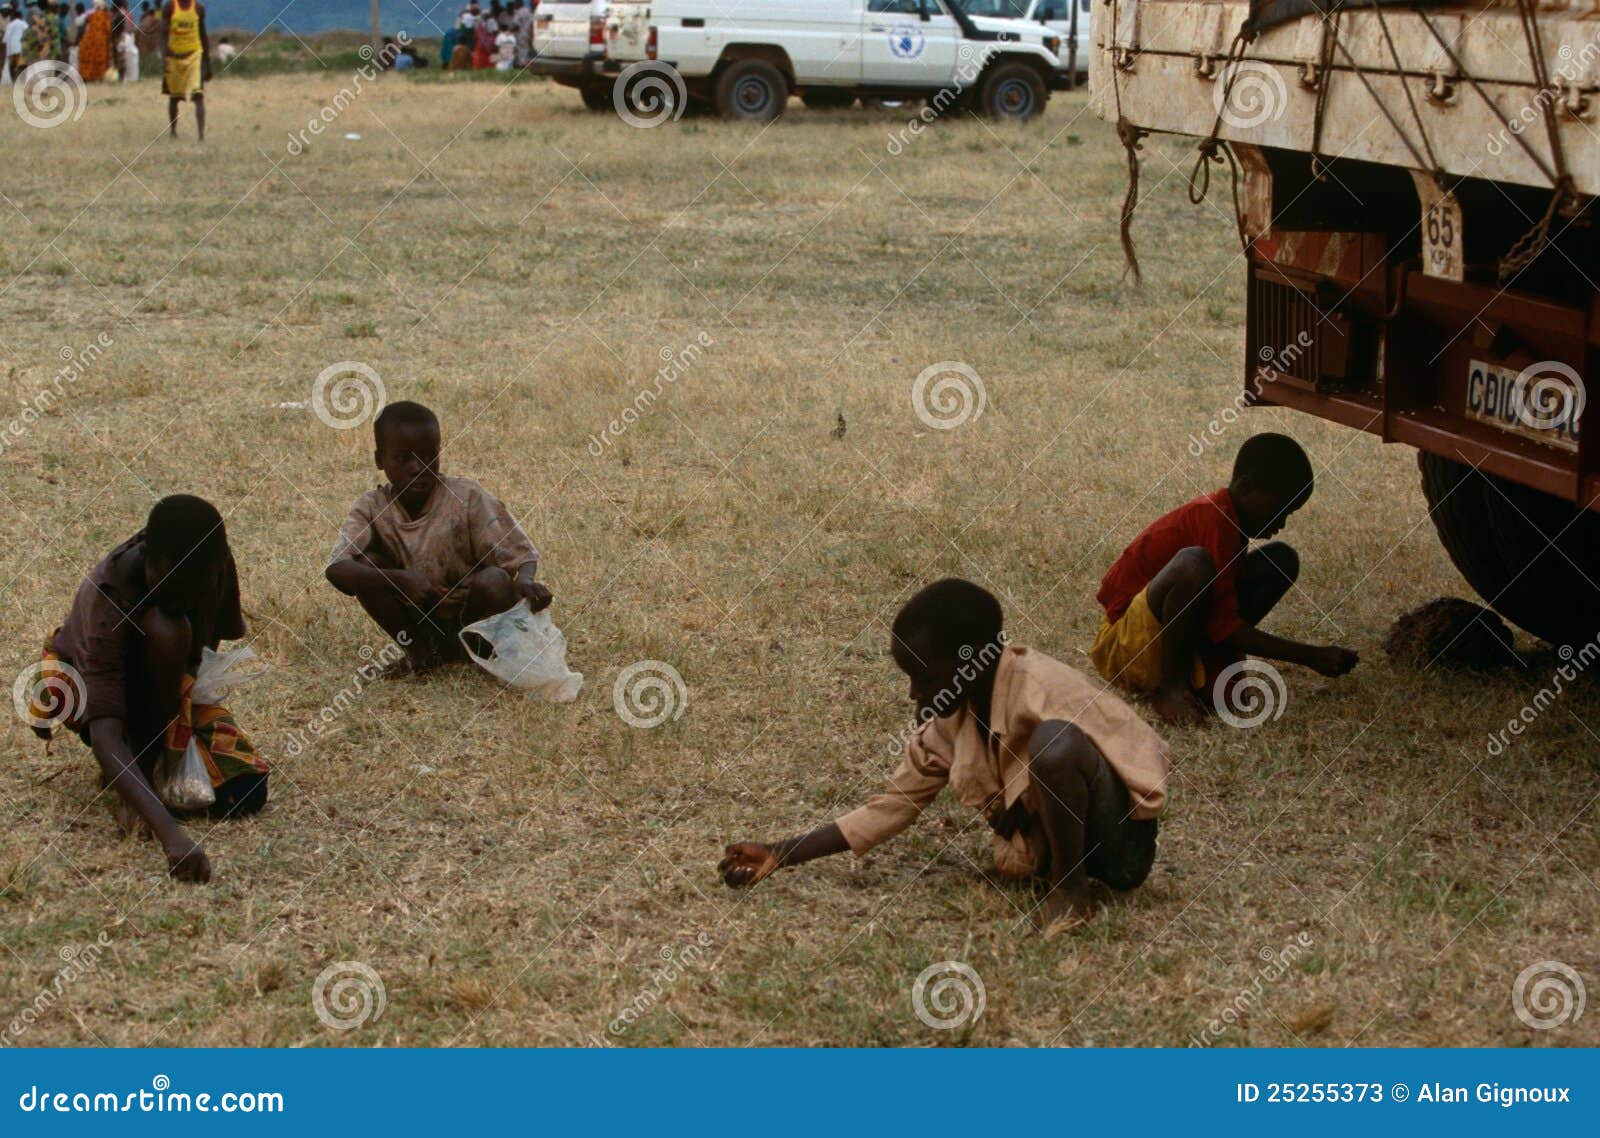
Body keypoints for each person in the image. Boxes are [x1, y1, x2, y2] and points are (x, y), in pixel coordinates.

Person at [718, 579, 1170, 934]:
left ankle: (1070, 892)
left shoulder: (1045, 685)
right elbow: (891, 804)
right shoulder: (954, 717)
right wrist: (781, 852)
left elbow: (1143, 758)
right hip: (1048, 846)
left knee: (1056, 746)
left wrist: (1029, 792)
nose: (916, 694)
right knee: (1049, 755)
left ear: (970, 661)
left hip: (1120, 847)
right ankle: (1060, 870)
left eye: (925, 677)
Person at [26, 496, 270, 885]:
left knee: (246, 791)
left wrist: (179, 730)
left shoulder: (214, 561)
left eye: (200, 589)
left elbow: (204, 653)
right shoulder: (107, 597)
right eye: (179, 588)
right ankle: (131, 770)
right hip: (84, 686)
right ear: (150, 561)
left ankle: (141, 765)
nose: (191, 599)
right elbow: (105, 731)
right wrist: (171, 837)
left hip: (165, 689)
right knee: (167, 628)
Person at [1090, 432, 1359, 724]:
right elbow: (1226, 625)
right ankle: (1172, 687)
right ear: (1245, 487)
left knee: (1281, 560)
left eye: (1288, 515)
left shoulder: (1233, 523)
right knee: (1193, 564)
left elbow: (1222, 607)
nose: (1281, 523)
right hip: (1129, 646)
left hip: (1168, 631)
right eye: (1279, 510)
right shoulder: (1214, 519)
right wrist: (1311, 656)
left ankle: (1203, 660)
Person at [325, 401, 553, 675]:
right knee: (367, 563)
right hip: (419, 618)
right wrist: (398, 580)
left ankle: (480, 651)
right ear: (380, 460)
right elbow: (337, 569)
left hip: (473, 614)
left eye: (428, 456)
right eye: (403, 459)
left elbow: (520, 554)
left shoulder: (465, 495)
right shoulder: (371, 506)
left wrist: (526, 582)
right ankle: (422, 653)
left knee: (494, 578)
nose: (418, 467)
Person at [159, 0, 208, 140]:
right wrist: (164, 58)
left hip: (194, 55)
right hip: (174, 57)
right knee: (174, 97)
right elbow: (163, 35)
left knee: (198, 95)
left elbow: (203, 35)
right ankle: (173, 131)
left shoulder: (198, 8)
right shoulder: (169, 7)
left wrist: (207, 62)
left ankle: (201, 136)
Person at [74, 0, 108, 79]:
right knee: (100, 60)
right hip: (101, 42)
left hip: (90, 41)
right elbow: (108, 29)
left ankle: (87, 76)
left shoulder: (90, 16)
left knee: (89, 59)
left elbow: (81, 26)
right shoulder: (106, 16)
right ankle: (99, 76)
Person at [114, 0, 136, 79]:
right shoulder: (124, 13)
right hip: (125, 37)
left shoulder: (119, 14)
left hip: (123, 37)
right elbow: (130, 27)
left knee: (122, 58)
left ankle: (123, 77)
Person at [3, 5, 24, 82]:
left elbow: (5, 39)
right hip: (20, 48)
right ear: (21, 16)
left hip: (11, 49)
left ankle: (13, 80)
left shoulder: (10, 25)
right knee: (19, 65)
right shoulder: (23, 24)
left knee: (11, 65)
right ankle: (19, 80)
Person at [512, 0, 531, 68]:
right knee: (526, 49)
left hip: (520, 34)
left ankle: (521, 65)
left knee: (520, 50)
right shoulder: (528, 11)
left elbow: (516, 25)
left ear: (518, 4)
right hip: (527, 33)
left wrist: (510, 31)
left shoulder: (518, 12)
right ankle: (525, 64)